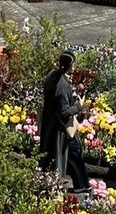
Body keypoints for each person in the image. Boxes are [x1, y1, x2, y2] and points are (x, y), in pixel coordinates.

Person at [39, 51, 90, 193]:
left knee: (67, 154)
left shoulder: (53, 76)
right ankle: (78, 184)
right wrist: (78, 106)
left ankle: (80, 184)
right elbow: (64, 112)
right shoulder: (62, 85)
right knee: (72, 152)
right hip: (60, 128)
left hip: (51, 124)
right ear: (71, 65)